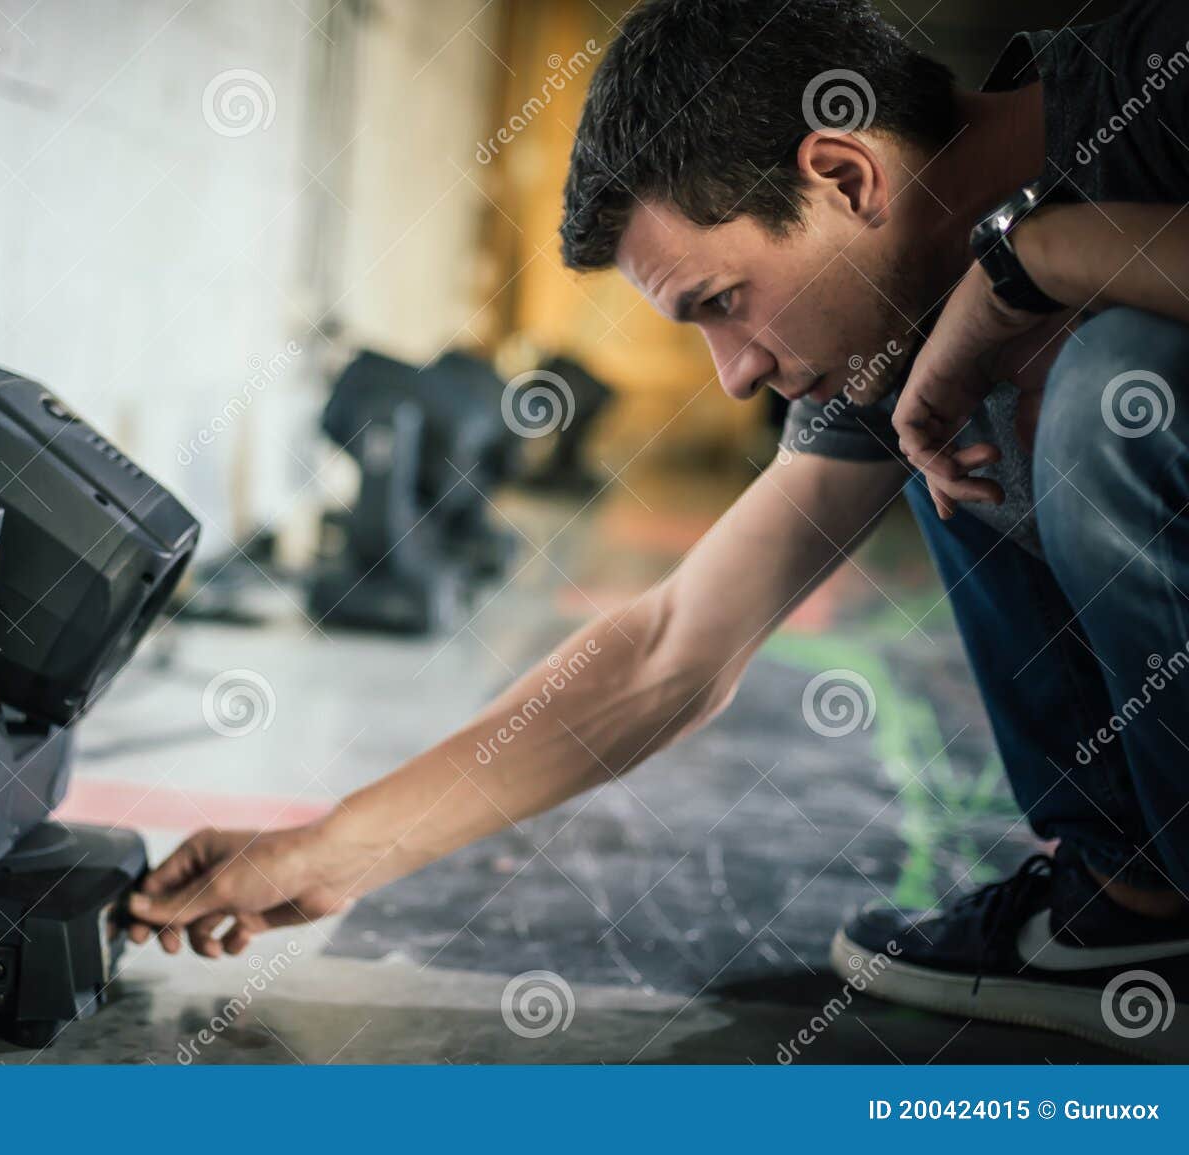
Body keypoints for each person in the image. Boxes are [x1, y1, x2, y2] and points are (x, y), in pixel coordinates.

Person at [130, 0, 1189, 1049]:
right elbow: (672, 648)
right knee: (940, 389)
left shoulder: (1158, 77)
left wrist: (1040, 260)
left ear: (844, 176)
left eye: (723, 300)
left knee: (1112, 387)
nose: (734, 376)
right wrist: (335, 849)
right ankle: (1126, 904)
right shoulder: (897, 304)